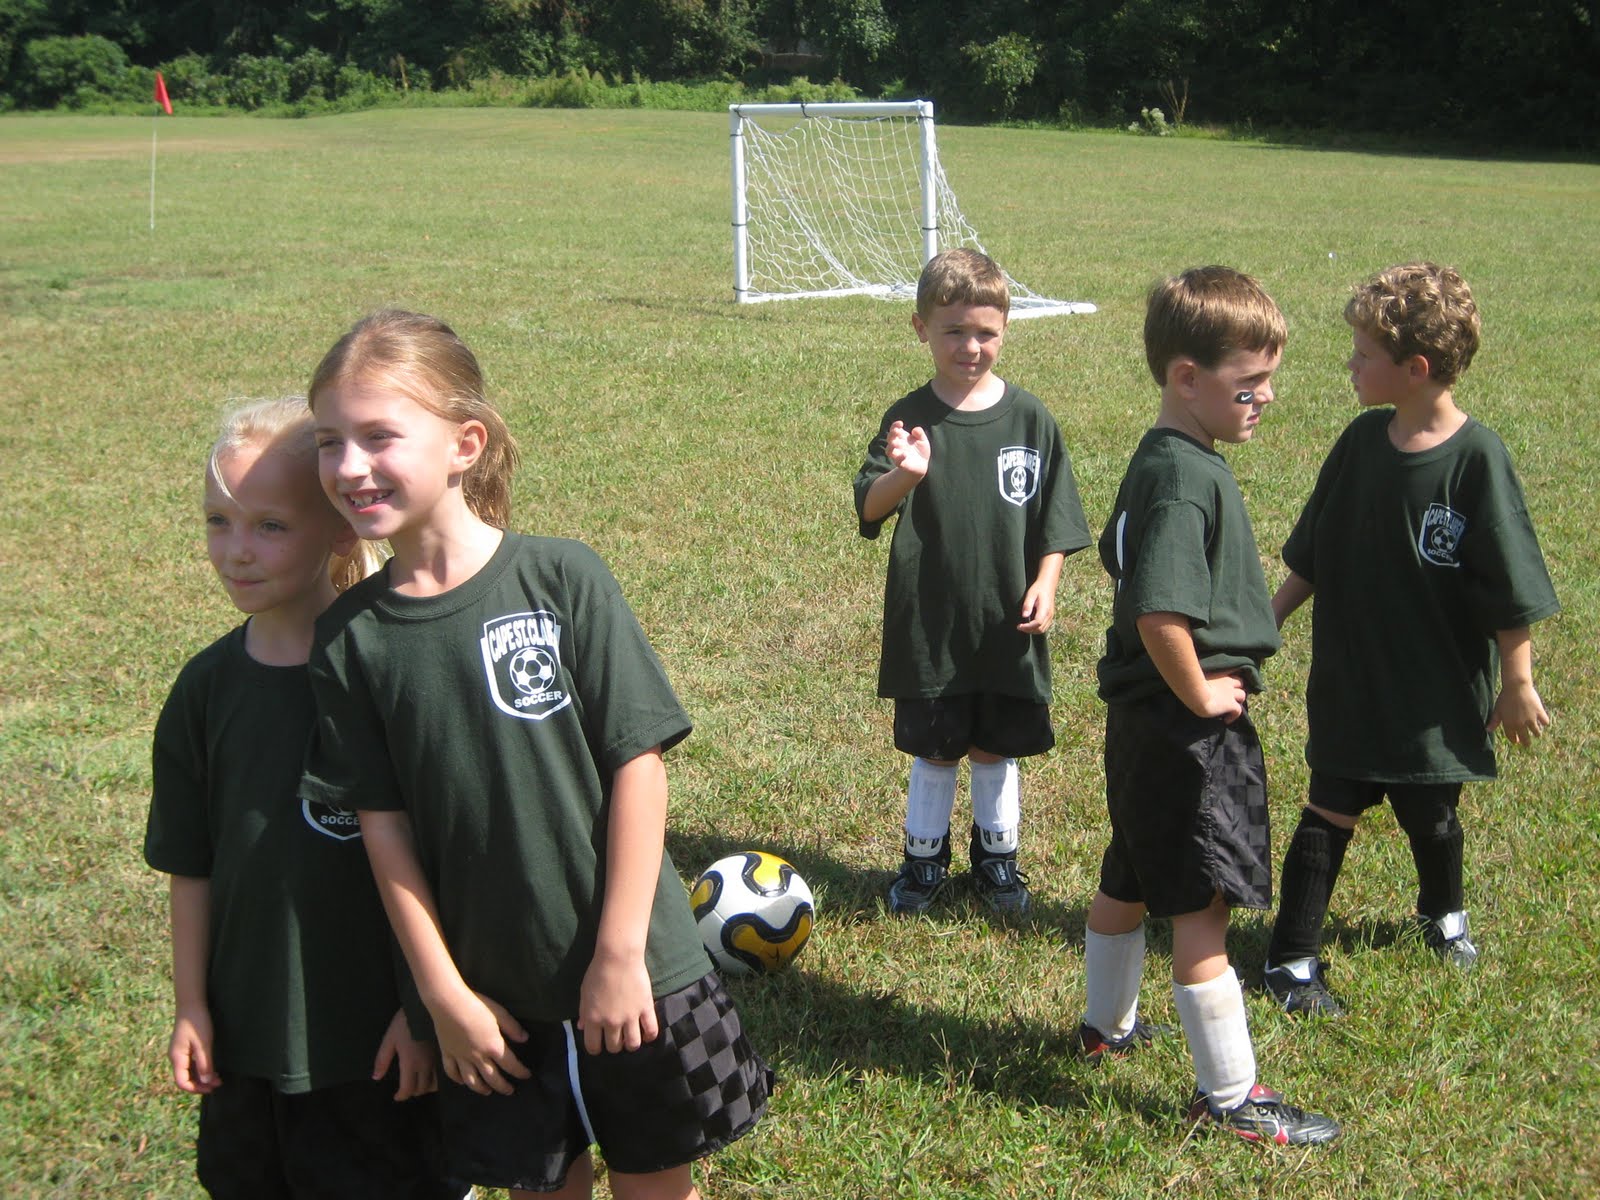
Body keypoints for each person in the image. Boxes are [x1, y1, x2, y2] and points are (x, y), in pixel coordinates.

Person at [301, 310, 771, 1200]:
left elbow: (639, 766)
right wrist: (440, 998)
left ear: (464, 444)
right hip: (492, 1002)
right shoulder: (348, 640)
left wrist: (620, 954)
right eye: (330, 442)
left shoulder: (562, 578)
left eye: (378, 436)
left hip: (635, 969)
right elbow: (383, 831)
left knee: (653, 1181)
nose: (350, 466)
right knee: (544, 1186)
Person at [145, 397, 458, 1198]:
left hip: (381, 1050)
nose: (236, 551)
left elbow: (446, 859)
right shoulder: (204, 691)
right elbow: (193, 867)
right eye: (218, 521)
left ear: (341, 527)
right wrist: (192, 1006)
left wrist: (420, 1010)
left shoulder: (386, 669)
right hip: (249, 1043)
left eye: (270, 526)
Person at [1077, 267, 1340, 1146]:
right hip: (1189, 729)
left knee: (1130, 873)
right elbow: (1158, 609)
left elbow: (1120, 557)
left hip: (1139, 727)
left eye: (1269, 381)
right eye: (1248, 383)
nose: (1266, 398)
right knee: (1203, 905)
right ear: (1186, 377)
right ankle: (1230, 1096)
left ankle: (1105, 1028)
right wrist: (1200, 689)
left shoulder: (1161, 458)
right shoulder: (1188, 480)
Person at [1261, 263, 1559, 1018]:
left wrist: (1518, 681)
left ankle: (1443, 913)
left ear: (1414, 369)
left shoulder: (1476, 460)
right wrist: (1269, 619)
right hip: (1352, 681)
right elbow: (1313, 553)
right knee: (1329, 807)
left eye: (1362, 354)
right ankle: (1291, 958)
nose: (1350, 365)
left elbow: (1508, 581)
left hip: (1434, 691)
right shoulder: (1361, 443)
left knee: (1431, 812)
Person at [853, 248, 1091, 917]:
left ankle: (999, 862)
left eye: (985, 332)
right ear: (920, 327)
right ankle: (922, 864)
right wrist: (907, 475)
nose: (970, 346)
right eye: (953, 330)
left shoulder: (1030, 419)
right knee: (935, 750)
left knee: (994, 749)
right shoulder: (909, 415)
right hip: (933, 622)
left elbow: (1055, 517)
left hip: (1005, 621)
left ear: (1006, 329)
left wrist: (1048, 581)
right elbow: (870, 505)